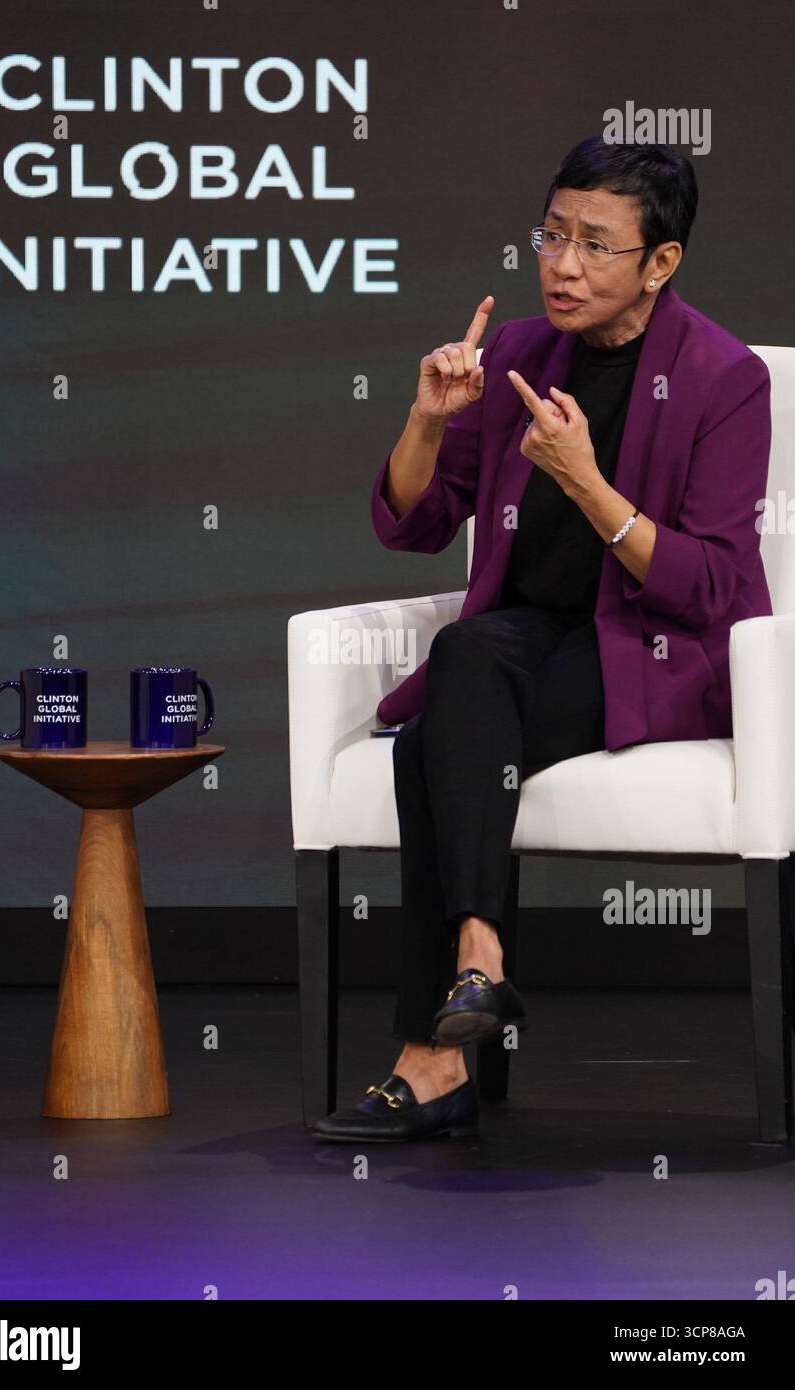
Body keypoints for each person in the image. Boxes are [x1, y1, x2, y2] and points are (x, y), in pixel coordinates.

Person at [312, 135, 773, 1143]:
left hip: (649, 652)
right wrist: (426, 420)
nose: (561, 265)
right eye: (551, 235)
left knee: (447, 709)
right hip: (520, 642)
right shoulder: (517, 351)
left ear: (659, 263)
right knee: (465, 664)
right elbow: (412, 523)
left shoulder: (722, 377)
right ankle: (474, 963)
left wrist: (585, 481)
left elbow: (712, 586)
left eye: (593, 246)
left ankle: (432, 1059)